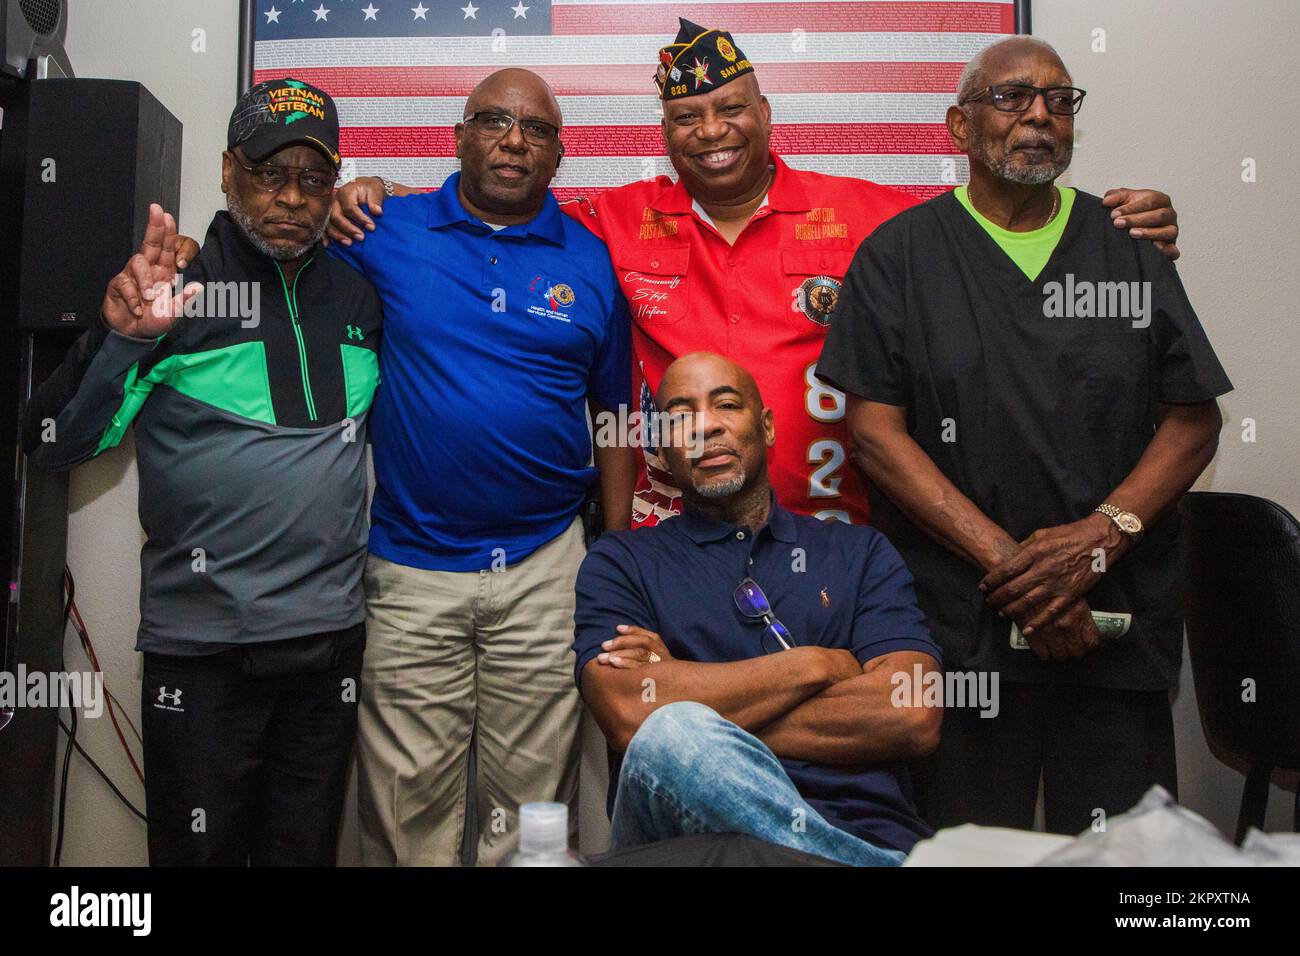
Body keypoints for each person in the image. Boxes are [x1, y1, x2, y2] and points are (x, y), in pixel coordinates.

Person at [326, 18, 1183, 530]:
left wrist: (1113, 222)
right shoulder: (614, 220)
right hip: (672, 540)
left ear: (766, 114)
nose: (711, 131)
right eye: (686, 117)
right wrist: (384, 196)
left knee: (838, 753)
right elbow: (503, 205)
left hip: (837, 539)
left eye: (730, 108)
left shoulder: (866, 213)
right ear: (665, 134)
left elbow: (995, 214)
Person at [179, 69, 634, 866]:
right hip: (410, 564)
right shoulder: (383, 230)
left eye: (536, 129)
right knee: (404, 808)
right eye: (493, 121)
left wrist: (617, 554)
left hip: (545, 567)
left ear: (559, 155)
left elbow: (615, 415)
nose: (514, 141)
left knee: (532, 813)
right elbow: (273, 243)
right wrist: (191, 261)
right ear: (458, 137)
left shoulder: (592, 262)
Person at [817, 36, 1233, 834]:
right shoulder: (901, 256)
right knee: (967, 846)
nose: (1040, 114)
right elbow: (873, 434)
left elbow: (1193, 418)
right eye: (1011, 97)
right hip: (963, 627)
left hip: (1111, 623)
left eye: (1059, 100)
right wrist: (1020, 572)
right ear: (959, 125)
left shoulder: (1128, 246)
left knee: (1124, 858)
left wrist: (1100, 541)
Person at [24, 78, 382, 864]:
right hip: (203, 655)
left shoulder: (360, 296)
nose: (293, 198)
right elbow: (51, 443)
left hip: (329, 649)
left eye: (314, 178)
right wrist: (121, 337)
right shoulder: (174, 293)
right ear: (227, 172)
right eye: (269, 173)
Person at [572, 352, 942, 866]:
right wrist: (817, 665)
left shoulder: (859, 552)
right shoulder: (621, 562)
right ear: (661, 446)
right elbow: (630, 713)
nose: (705, 427)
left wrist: (692, 697)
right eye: (680, 416)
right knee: (670, 736)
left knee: (679, 726)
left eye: (726, 405)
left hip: (857, 827)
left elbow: (912, 711)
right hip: (690, 850)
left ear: (766, 426)